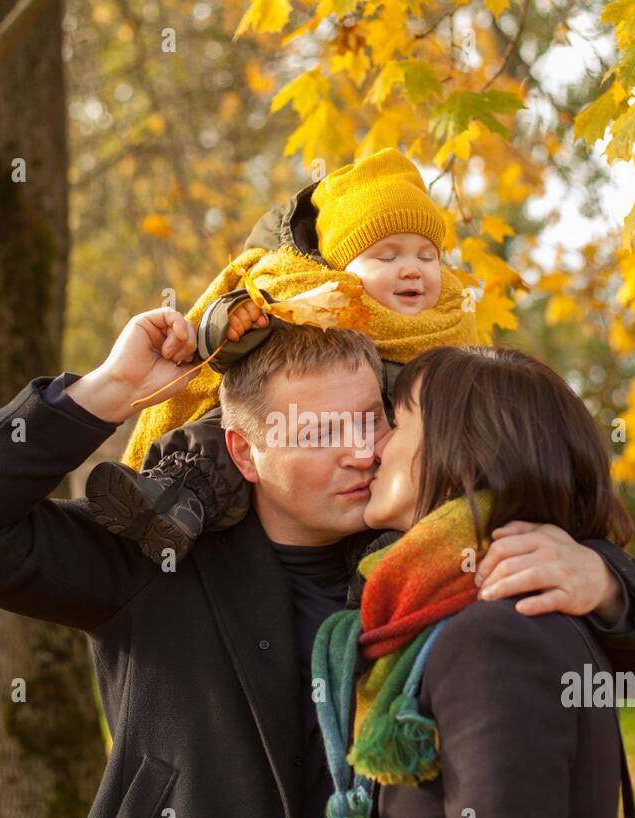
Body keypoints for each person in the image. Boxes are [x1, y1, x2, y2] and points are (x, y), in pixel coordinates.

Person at [0, 309, 635, 818]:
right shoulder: (153, 554)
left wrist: (605, 579)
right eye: (321, 433)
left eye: (372, 420)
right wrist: (104, 391)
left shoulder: (420, 568)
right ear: (244, 453)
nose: (360, 452)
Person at [305, 345, 635, 818]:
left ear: (458, 457)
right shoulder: (476, 611)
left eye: (397, 424)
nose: (375, 449)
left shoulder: (497, 637)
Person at [85, 148, 478, 564]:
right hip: (286, 436)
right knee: (224, 432)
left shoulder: (449, 327)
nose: (412, 269)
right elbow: (239, 331)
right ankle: (176, 498)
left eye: (426, 255)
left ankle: (389, 556)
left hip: (385, 464)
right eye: (387, 256)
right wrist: (235, 322)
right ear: (341, 268)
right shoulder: (307, 293)